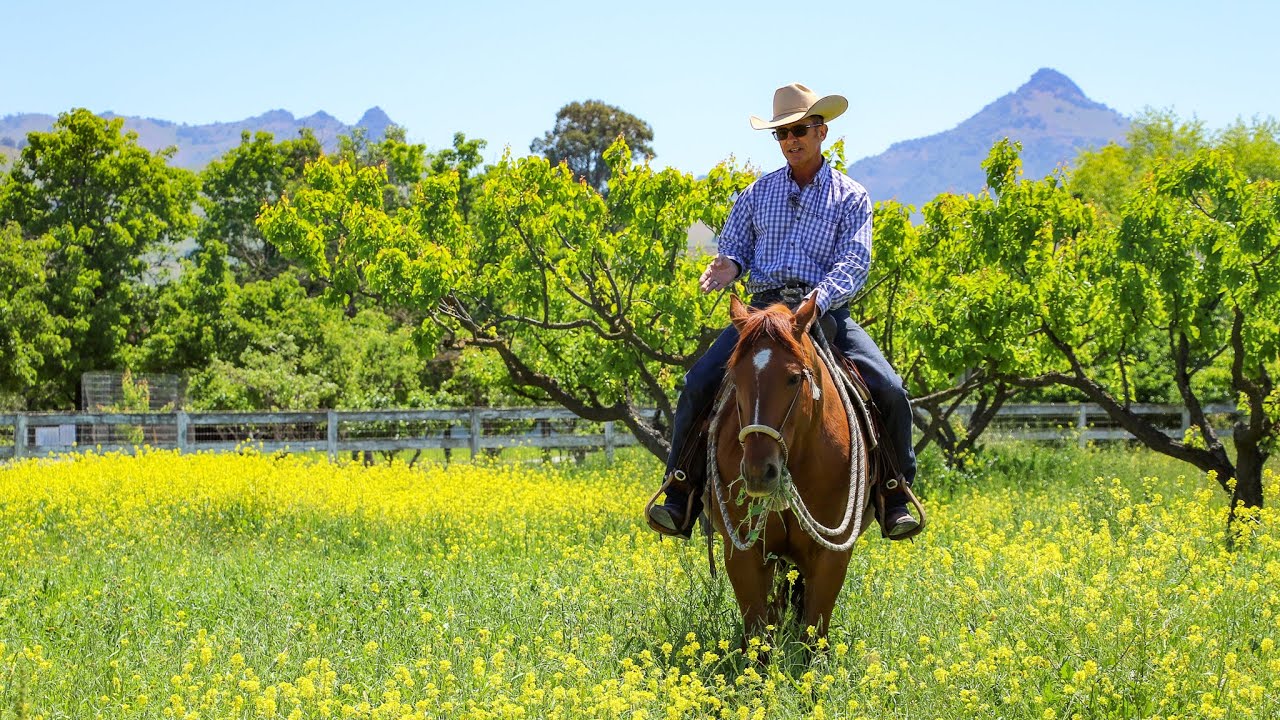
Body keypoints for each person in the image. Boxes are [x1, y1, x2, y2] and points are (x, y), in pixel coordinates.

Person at [647, 82, 920, 540]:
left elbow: (855, 261)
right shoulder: (757, 193)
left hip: (822, 313)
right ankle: (680, 491)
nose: (791, 140)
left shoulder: (851, 196)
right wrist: (726, 266)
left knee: (890, 390)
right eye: (782, 133)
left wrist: (818, 301)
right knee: (697, 383)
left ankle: (894, 493)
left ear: (821, 131)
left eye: (798, 130)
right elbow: (735, 246)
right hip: (760, 316)